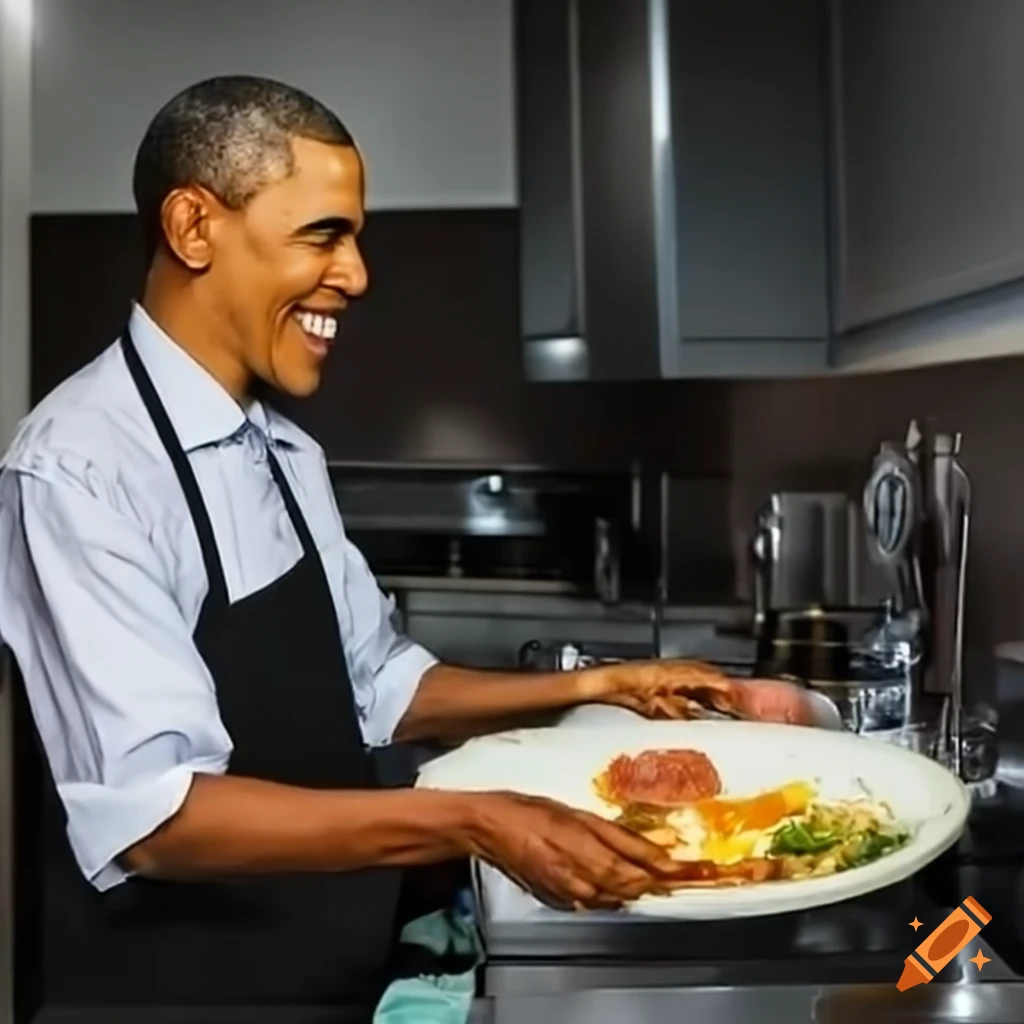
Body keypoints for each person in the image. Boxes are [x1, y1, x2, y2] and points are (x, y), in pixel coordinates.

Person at [0, 76, 810, 1014]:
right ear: (194, 229)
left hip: (330, 979)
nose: (356, 274)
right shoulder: (79, 471)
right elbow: (159, 818)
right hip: (178, 1000)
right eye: (324, 234)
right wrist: (474, 819)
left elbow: (380, 684)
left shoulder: (283, 450)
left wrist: (603, 687)